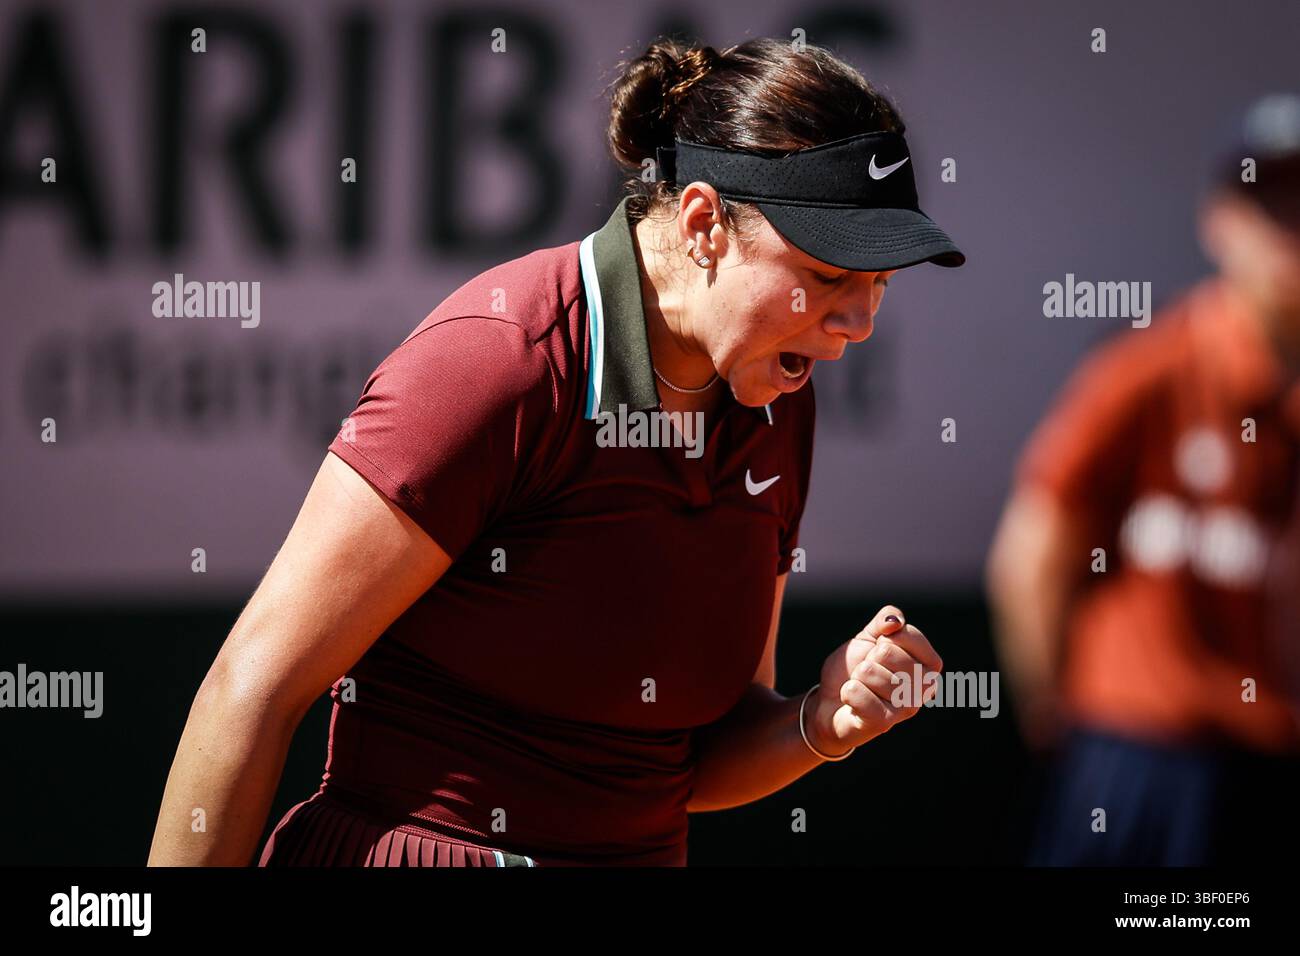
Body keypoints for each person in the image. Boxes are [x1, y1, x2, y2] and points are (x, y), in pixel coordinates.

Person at [147, 36, 962, 868]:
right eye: (829, 276)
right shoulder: (499, 361)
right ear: (705, 223)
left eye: (881, 284)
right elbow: (249, 691)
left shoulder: (781, 400)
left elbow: (683, 764)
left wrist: (820, 722)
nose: (858, 323)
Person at [986, 93, 1300, 866]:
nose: (1291, 231)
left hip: (1269, 765)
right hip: (1137, 762)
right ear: (1219, 222)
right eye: (1271, 204)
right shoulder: (1147, 369)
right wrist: (1056, 716)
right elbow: (1030, 553)